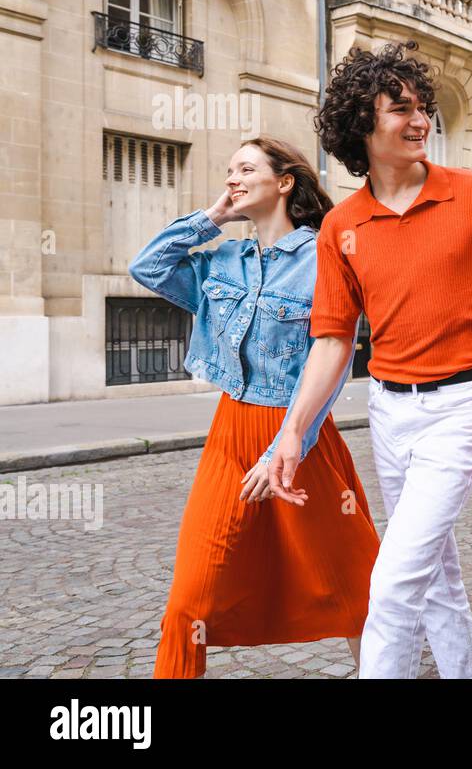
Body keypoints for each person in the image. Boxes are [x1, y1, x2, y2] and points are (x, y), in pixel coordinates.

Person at [265, 41, 472, 679]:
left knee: (395, 581)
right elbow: (334, 340)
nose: (420, 120)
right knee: (435, 573)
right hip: (388, 411)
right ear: (362, 126)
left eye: (423, 107)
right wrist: (293, 431)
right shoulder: (343, 224)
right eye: (401, 109)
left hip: (462, 403)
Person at [129, 138, 380, 679]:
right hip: (229, 435)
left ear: (285, 182)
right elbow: (146, 267)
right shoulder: (224, 259)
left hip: (299, 436)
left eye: (246, 169)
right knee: (188, 602)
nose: (232, 179)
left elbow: (332, 360)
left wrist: (288, 442)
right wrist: (213, 217)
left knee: (358, 590)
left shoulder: (324, 256)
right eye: (227, 172)